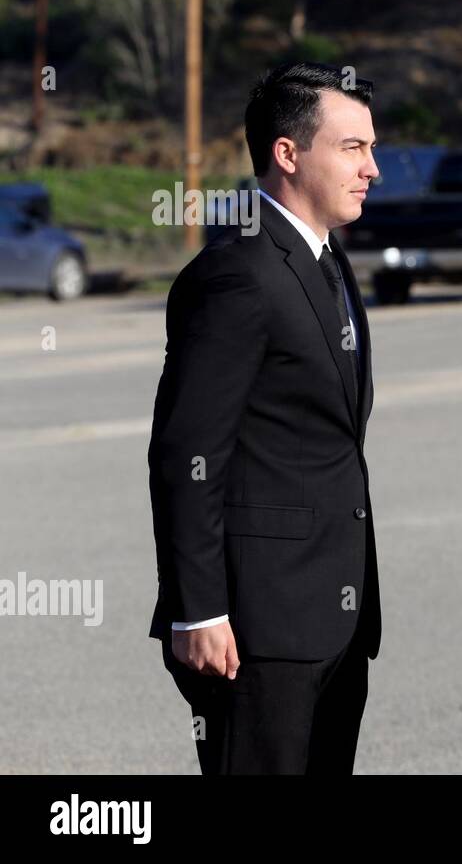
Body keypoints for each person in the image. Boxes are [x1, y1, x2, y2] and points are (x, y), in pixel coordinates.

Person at [148, 62, 383, 774]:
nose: (373, 168)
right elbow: (187, 454)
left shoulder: (327, 263)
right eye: (353, 148)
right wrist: (198, 609)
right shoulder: (236, 274)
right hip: (254, 629)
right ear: (288, 153)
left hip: (335, 617)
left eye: (371, 148)